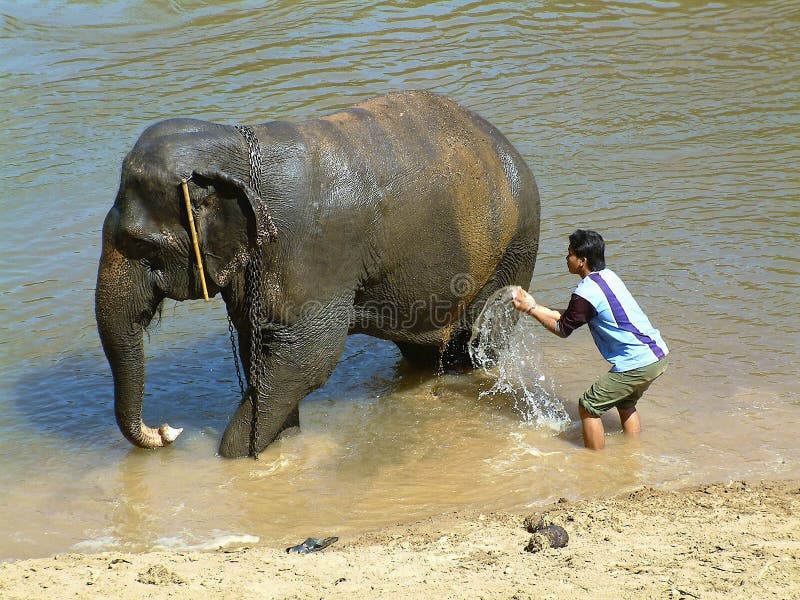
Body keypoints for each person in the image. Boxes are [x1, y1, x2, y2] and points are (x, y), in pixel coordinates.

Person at [512, 229, 669, 450]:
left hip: (637, 362)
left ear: (581, 261)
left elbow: (562, 328)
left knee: (588, 406)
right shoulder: (608, 277)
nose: (567, 258)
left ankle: (594, 464)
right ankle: (634, 451)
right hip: (657, 355)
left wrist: (529, 310)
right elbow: (572, 316)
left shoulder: (585, 292)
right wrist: (535, 306)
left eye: (570, 254)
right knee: (625, 403)